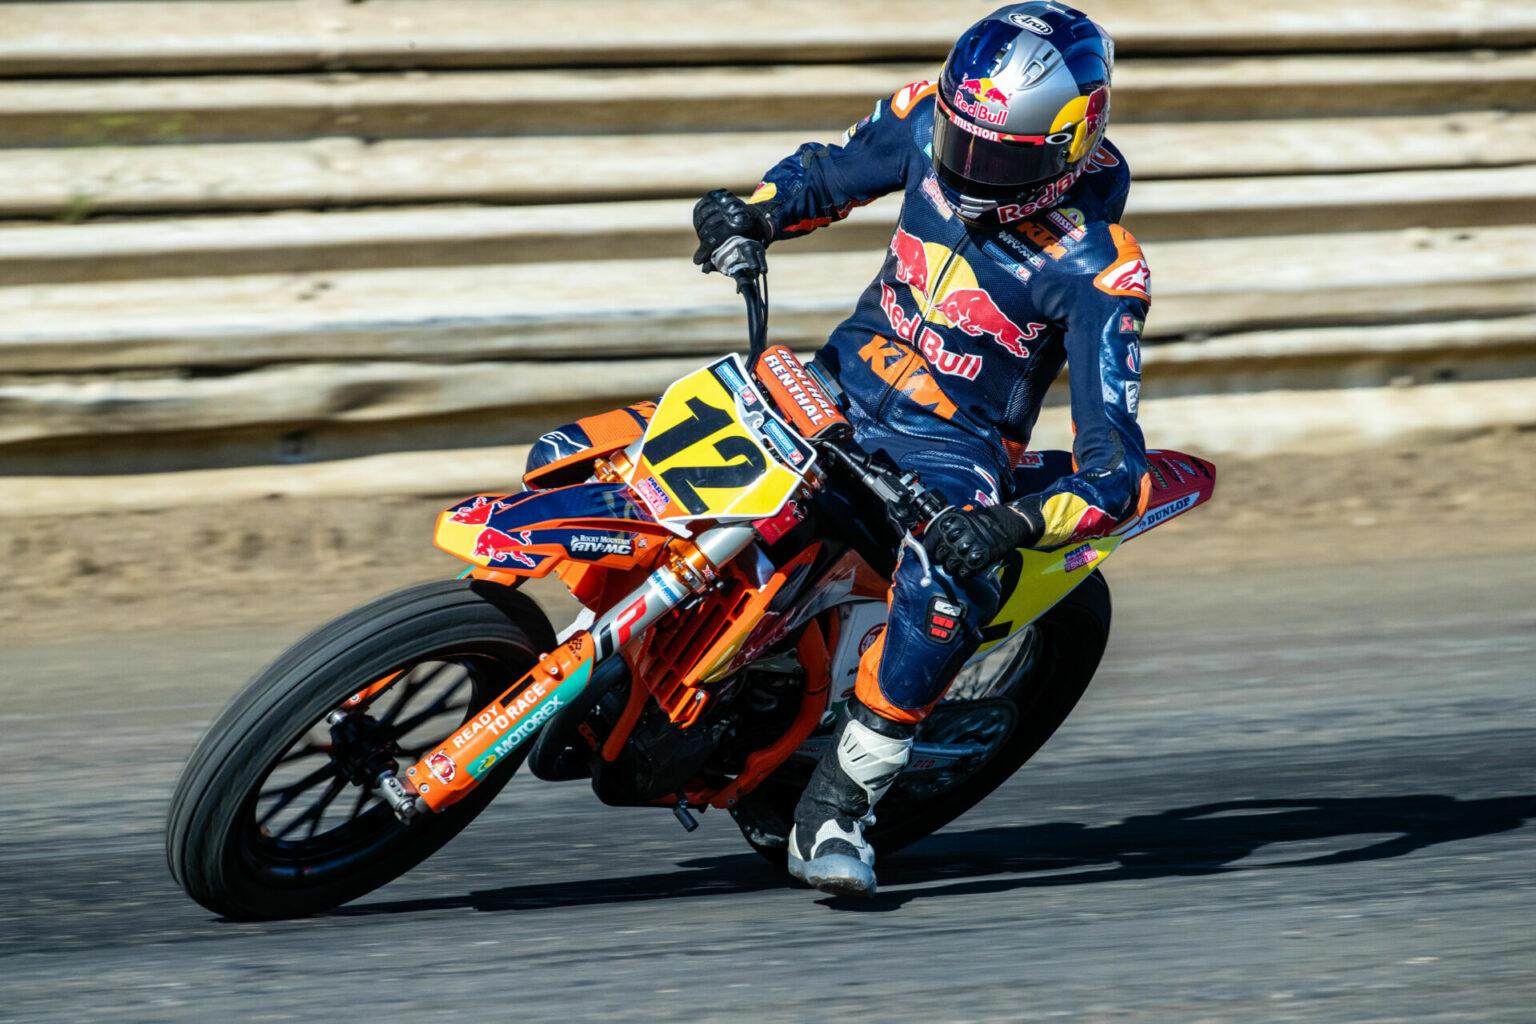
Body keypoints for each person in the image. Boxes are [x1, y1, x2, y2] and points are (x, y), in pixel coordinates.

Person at [529, 2, 1151, 896]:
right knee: (600, 446)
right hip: (831, 379)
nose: (965, 169)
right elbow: (826, 174)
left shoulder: (1101, 268)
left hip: (948, 451)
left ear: (1071, 145)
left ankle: (841, 801)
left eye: (999, 158)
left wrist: (1006, 525)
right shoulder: (926, 117)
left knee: (951, 584)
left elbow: (1116, 474)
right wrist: (749, 214)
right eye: (961, 142)